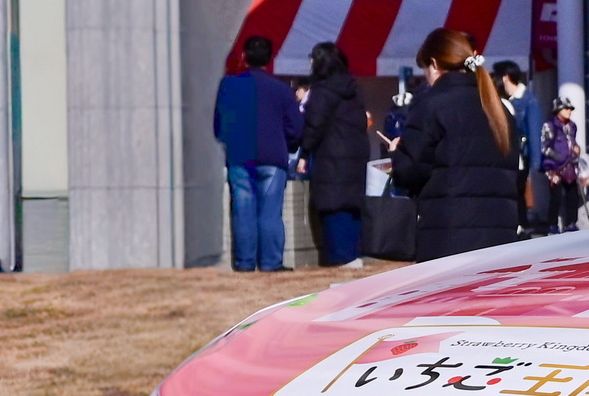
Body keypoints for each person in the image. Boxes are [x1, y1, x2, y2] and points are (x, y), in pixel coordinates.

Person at [387, 28, 521, 261]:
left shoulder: (431, 105)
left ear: (434, 64)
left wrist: (397, 153)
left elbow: (409, 171)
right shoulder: (499, 110)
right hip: (500, 236)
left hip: (448, 236)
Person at [213, 33, 304, 272]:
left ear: (243, 57)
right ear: (270, 58)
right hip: (273, 155)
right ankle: (271, 262)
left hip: (240, 155)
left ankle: (245, 263)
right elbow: (296, 127)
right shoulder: (282, 90)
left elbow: (218, 124)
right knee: (271, 213)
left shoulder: (228, 85)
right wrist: (288, 145)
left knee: (242, 211)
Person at [298, 41, 372, 268]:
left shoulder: (322, 91)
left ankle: (341, 257)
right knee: (350, 204)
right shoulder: (353, 88)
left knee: (333, 205)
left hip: (331, 154)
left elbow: (314, 125)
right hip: (355, 153)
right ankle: (353, 253)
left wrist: (304, 152)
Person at [492, 59, 545, 231]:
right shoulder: (508, 100)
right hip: (509, 154)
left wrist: (536, 161)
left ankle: (521, 224)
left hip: (522, 155)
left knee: (518, 190)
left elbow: (533, 130)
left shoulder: (528, 100)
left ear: (506, 78)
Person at [539, 88, 585, 234]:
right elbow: (544, 148)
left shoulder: (572, 126)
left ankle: (571, 223)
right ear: (558, 110)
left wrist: (576, 149)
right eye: (566, 109)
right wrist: (559, 159)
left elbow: (573, 142)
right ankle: (552, 224)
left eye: (570, 109)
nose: (569, 112)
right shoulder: (550, 126)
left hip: (571, 167)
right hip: (555, 168)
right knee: (556, 198)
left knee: (573, 196)